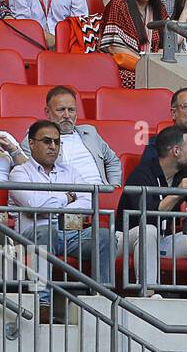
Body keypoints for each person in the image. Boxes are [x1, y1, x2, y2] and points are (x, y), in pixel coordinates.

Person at [10, 119, 115, 315]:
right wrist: (67, 197)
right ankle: (42, 303)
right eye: (47, 141)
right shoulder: (19, 173)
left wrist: (52, 203)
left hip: (69, 234)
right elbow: (35, 205)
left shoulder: (71, 171)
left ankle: (101, 299)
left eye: (57, 142)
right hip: (32, 235)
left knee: (104, 236)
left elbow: (88, 201)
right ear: (31, 143)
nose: (53, 147)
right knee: (45, 231)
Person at [118, 126, 187, 298]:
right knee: (148, 230)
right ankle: (148, 295)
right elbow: (147, 215)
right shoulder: (142, 174)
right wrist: (178, 192)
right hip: (128, 240)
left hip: (162, 240)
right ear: (176, 151)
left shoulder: (184, 173)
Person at [98, 0, 165, 86]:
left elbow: (165, 47)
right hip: (122, 69)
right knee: (143, 80)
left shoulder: (160, 9)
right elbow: (114, 48)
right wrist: (146, 66)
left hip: (153, 69)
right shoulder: (118, 5)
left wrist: (154, 68)